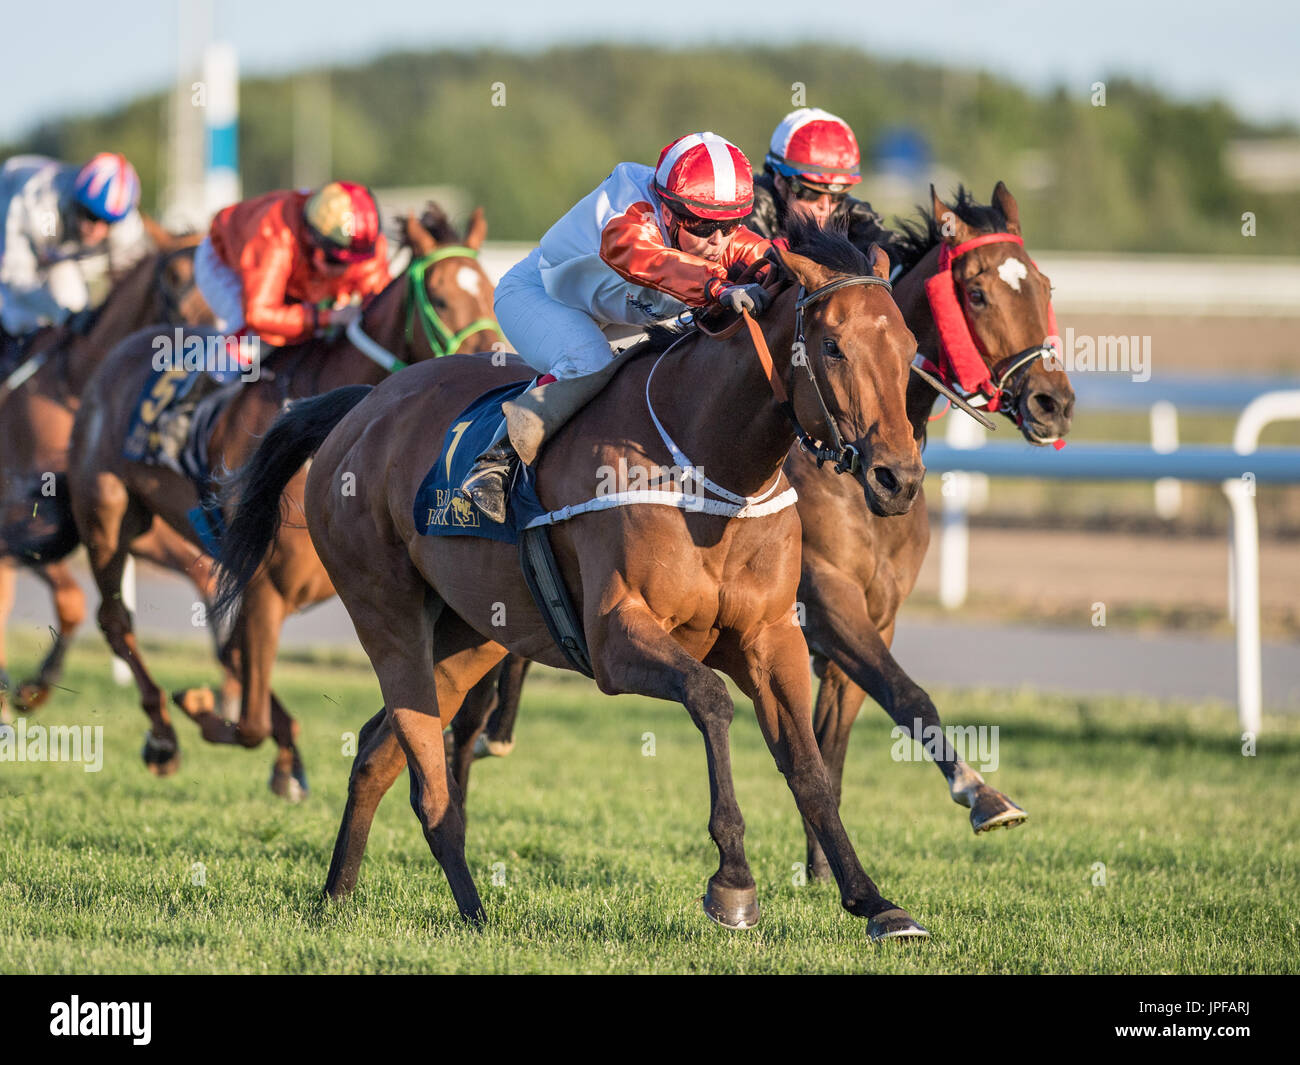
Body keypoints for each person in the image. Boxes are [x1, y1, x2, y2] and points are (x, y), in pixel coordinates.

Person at [459, 131, 774, 522]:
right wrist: (717, 285)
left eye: (731, 225)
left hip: (620, 313)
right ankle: (493, 463)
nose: (718, 241)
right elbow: (642, 256)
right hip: (539, 296)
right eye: (702, 225)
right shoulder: (628, 205)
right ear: (669, 211)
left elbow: (773, 260)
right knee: (588, 358)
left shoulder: (715, 231)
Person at [194, 181, 388, 349]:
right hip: (225, 262)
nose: (348, 270)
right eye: (337, 261)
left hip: (293, 278)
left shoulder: (365, 245)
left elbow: (383, 305)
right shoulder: (275, 237)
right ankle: (202, 387)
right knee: (247, 343)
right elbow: (259, 314)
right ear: (312, 240)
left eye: (355, 262)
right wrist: (327, 317)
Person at [0, 152, 149, 356]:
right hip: (10, 204)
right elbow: (17, 280)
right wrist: (63, 316)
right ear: (76, 200)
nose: (96, 229)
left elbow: (134, 281)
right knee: (17, 316)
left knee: (75, 302)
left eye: (107, 222)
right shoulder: (44, 212)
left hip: (56, 251)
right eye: (90, 216)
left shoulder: (126, 228)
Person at [746, 108, 895, 251]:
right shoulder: (751, 210)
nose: (826, 207)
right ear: (779, 181)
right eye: (812, 194)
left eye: (838, 195)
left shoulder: (853, 213)